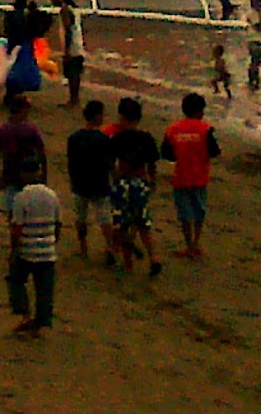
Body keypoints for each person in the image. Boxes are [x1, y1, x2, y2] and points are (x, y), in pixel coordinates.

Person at [161, 92, 220, 259]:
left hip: (181, 177)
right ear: (200, 111)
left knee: (184, 214)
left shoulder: (173, 129)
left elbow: (167, 153)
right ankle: (196, 242)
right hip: (200, 177)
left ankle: (189, 245)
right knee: (199, 211)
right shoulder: (205, 129)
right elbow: (214, 151)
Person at [7, 155, 61, 336]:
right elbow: (58, 223)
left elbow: (17, 227)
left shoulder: (21, 197)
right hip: (47, 250)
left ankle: (24, 313)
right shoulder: (52, 195)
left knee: (16, 280)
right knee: (44, 290)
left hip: (27, 249)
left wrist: (14, 248)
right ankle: (40, 324)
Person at [108, 97, 162, 277]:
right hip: (140, 181)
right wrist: (151, 180)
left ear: (122, 117)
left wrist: (115, 176)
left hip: (123, 181)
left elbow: (110, 161)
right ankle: (153, 257)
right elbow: (152, 164)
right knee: (143, 222)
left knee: (122, 223)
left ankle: (128, 262)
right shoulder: (146, 138)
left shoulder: (119, 137)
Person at [66, 100, 115, 261]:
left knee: (81, 217)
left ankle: (83, 247)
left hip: (80, 181)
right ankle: (109, 245)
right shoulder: (104, 139)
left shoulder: (74, 138)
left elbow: (71, 162)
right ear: (97, 117)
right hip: (99, 182)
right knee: (105, 218)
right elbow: (110, 164)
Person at [0, 92, 46, 216]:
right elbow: (41, 153)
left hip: (9, 173)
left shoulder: (2, 129)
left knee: (11, 209)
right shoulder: (30, 129)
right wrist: (43, 174)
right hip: (29, 173)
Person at [53, 0, 86, 107]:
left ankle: (73, 100)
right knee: (75, 74)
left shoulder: (65, 10)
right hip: (78, 45)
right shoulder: (75, 10)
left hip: (72, 47)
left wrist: (66, 50)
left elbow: (68, 31)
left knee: (71, 74)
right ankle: (75, 99)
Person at [245, 0, 261, 90]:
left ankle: (254, 80)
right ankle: (253, 80)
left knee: (256, 61)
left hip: (258, 40)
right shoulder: (252, 13)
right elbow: (259, 26)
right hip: (253, 40)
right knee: (255, 61)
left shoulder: (259, 13)